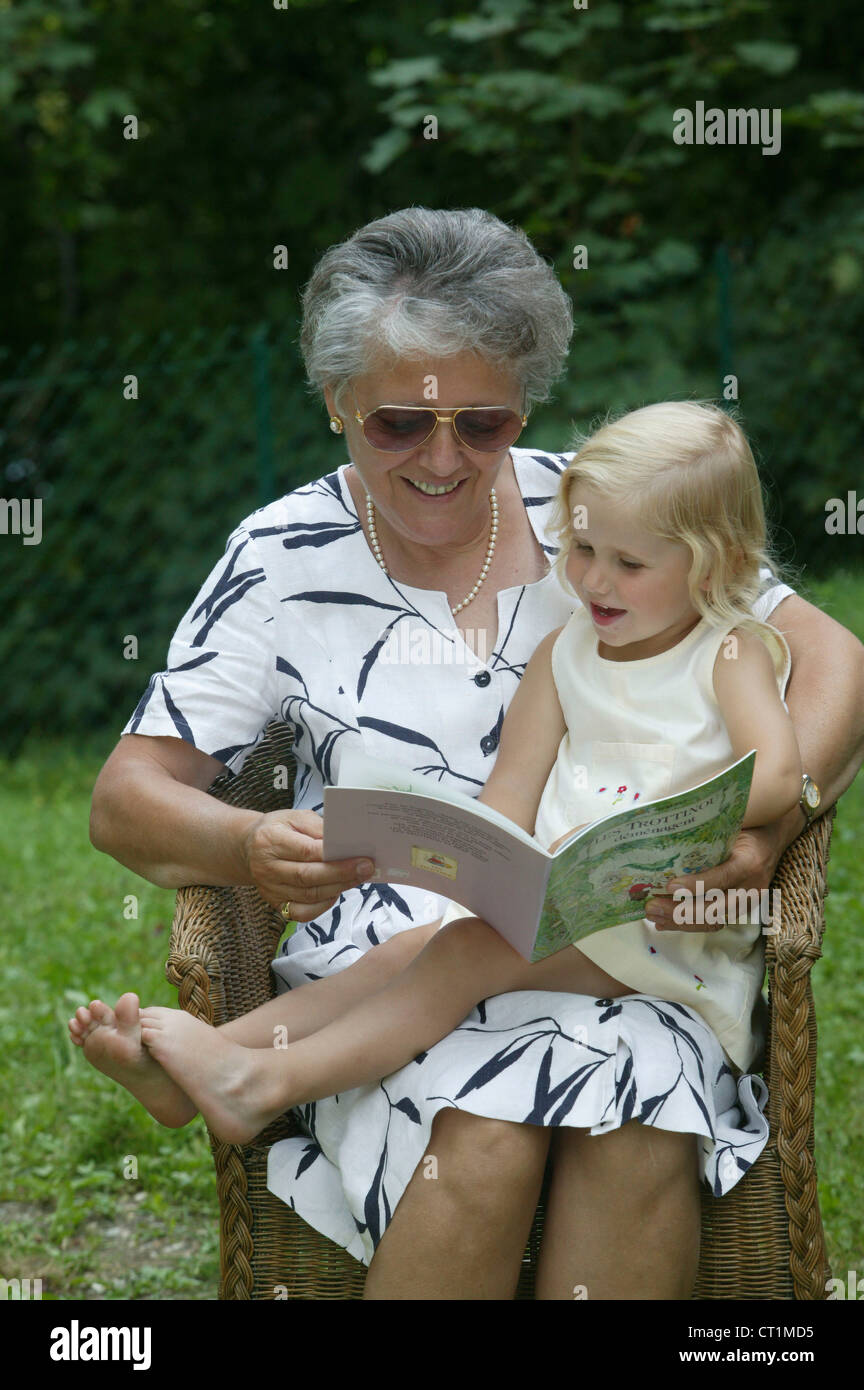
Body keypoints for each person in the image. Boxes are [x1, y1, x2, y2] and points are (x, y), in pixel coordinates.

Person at [74, 209, 864, 1300]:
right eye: (399, 423)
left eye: (483, 424)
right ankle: (258, 1065)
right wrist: (251, 841)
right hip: (382, 985)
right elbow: (125, 800)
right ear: (337, 401)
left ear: (524, 406)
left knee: (635, 1110)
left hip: (634, 956)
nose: (445, 460)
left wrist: (761, 828)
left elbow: (831, 659)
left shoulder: (602, 510)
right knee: (480, 1132)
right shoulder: (278, 557)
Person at [70, 398, 804, 1139]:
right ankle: (197, 1072)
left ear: (719, 565)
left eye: (630, 564)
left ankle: (258, 1082)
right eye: (582, 552)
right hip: (571, 914)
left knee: (454, 958)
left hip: (668, 935)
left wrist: (665, 823)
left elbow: (776, 778)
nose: (595, 582)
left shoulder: (730, 651)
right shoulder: (567, 653)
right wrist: (481, 867)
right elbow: (509, 795)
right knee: (409, 951)